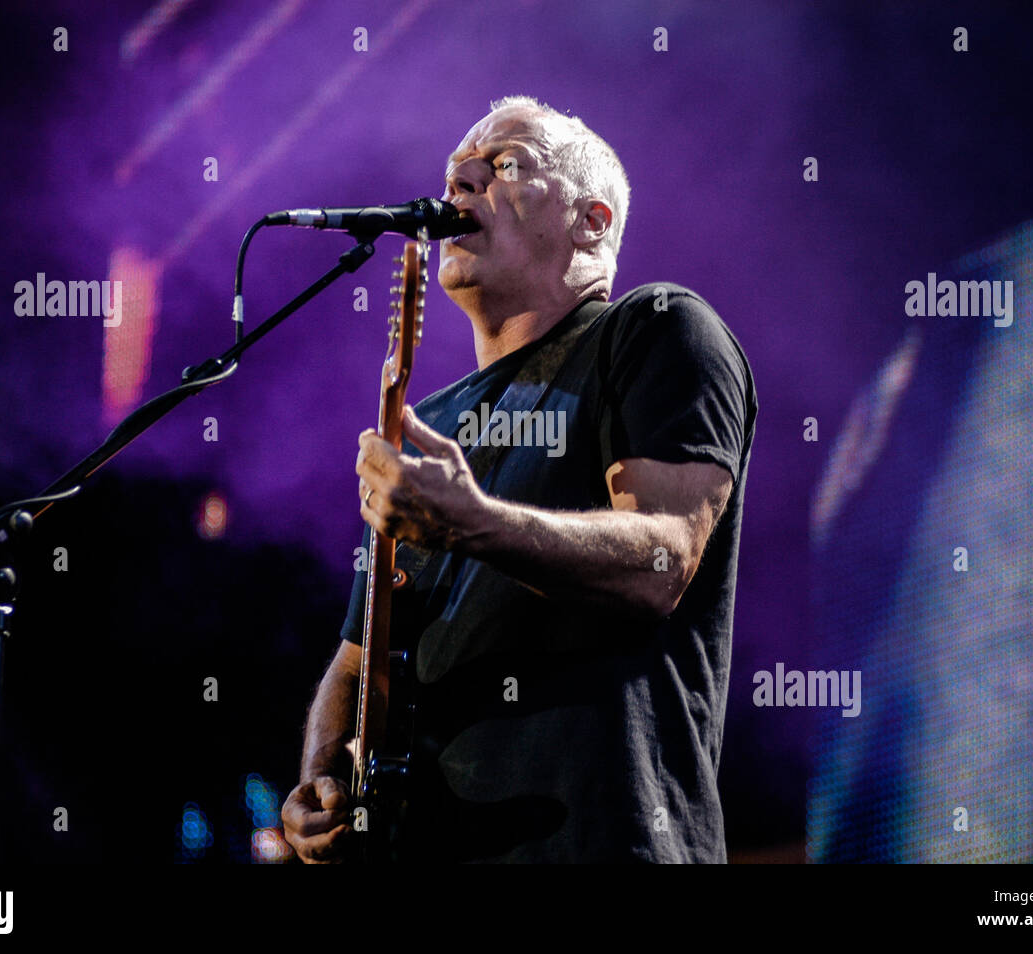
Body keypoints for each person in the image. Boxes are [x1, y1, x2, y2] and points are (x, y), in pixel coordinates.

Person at [282, 95, 757, 863]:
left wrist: (473, 522)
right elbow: (359, 655)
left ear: (591, 222)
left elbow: (664, 562)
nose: (460, 181)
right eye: (455, 171)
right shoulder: (426, 417)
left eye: (504, 165)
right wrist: (319, 783)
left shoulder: (654, 327)